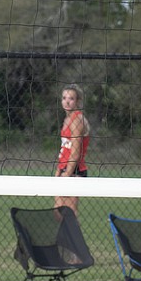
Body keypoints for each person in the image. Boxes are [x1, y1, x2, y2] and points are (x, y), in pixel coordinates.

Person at [54, 84, 90, 216]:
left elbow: (75, 151)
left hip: (75, 169)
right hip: (64, 167)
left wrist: (67, 173)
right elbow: (65, 148)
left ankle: (74, 237)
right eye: (64, 98)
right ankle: (66, 237)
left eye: (71, 98)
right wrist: (59, 170)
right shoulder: (67, 119)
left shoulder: (77, 120)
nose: (67, 101)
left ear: (78, 101)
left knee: (69, 213)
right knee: (58, 212)